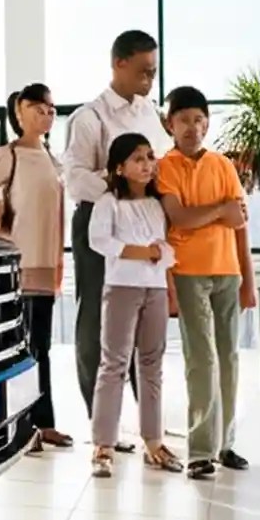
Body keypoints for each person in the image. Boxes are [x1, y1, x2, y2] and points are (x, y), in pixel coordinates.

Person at [61, 30, 172, 453]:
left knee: (146, 324)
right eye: (144, 71)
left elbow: (162, 166)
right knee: (98, 320)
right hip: (100, 220)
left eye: (154, 72)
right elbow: (75, 178)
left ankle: (150, 428)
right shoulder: (89, 117)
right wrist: (120, 185)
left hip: (146, 221)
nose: (150, 79)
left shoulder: (151, 115)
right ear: (118, 64)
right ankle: (103, 428)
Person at [155, 86, 256, 479]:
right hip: (188, 272)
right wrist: (220, 211)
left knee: (229, 357)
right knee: (202, 360)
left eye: (199, 120)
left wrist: (249, 280)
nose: (192, 127)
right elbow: (179, 218)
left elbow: (240, 224)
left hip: (228, 271)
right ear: (170, 125)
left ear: (207, 124)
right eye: (183, 120)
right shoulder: (165, 167)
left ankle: (226, 444)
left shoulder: (223, 165)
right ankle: (200, 451)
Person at [0, 83, 70, 451]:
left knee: (41, 346)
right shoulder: (8, 155)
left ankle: (44, 424)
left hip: (47, 265)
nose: (46, 115)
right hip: (19, 264)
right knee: (21, 350)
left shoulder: (53, 160)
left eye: (51, 110)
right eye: (38, 108)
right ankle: (21, 427)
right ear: (19, 112)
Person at [87, 132, 184, 477]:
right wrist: (144, 251)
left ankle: (154, 442)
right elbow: (99, 241)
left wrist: (168, 284)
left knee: (152, 365)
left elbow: (166, 248)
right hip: (121, 288)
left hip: (154, 289)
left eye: (150, 157)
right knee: (114, 363)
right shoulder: (108, 202)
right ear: (120, 167)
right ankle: (103, 445)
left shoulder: (158, 204)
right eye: (138, 159)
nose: (147, 165)